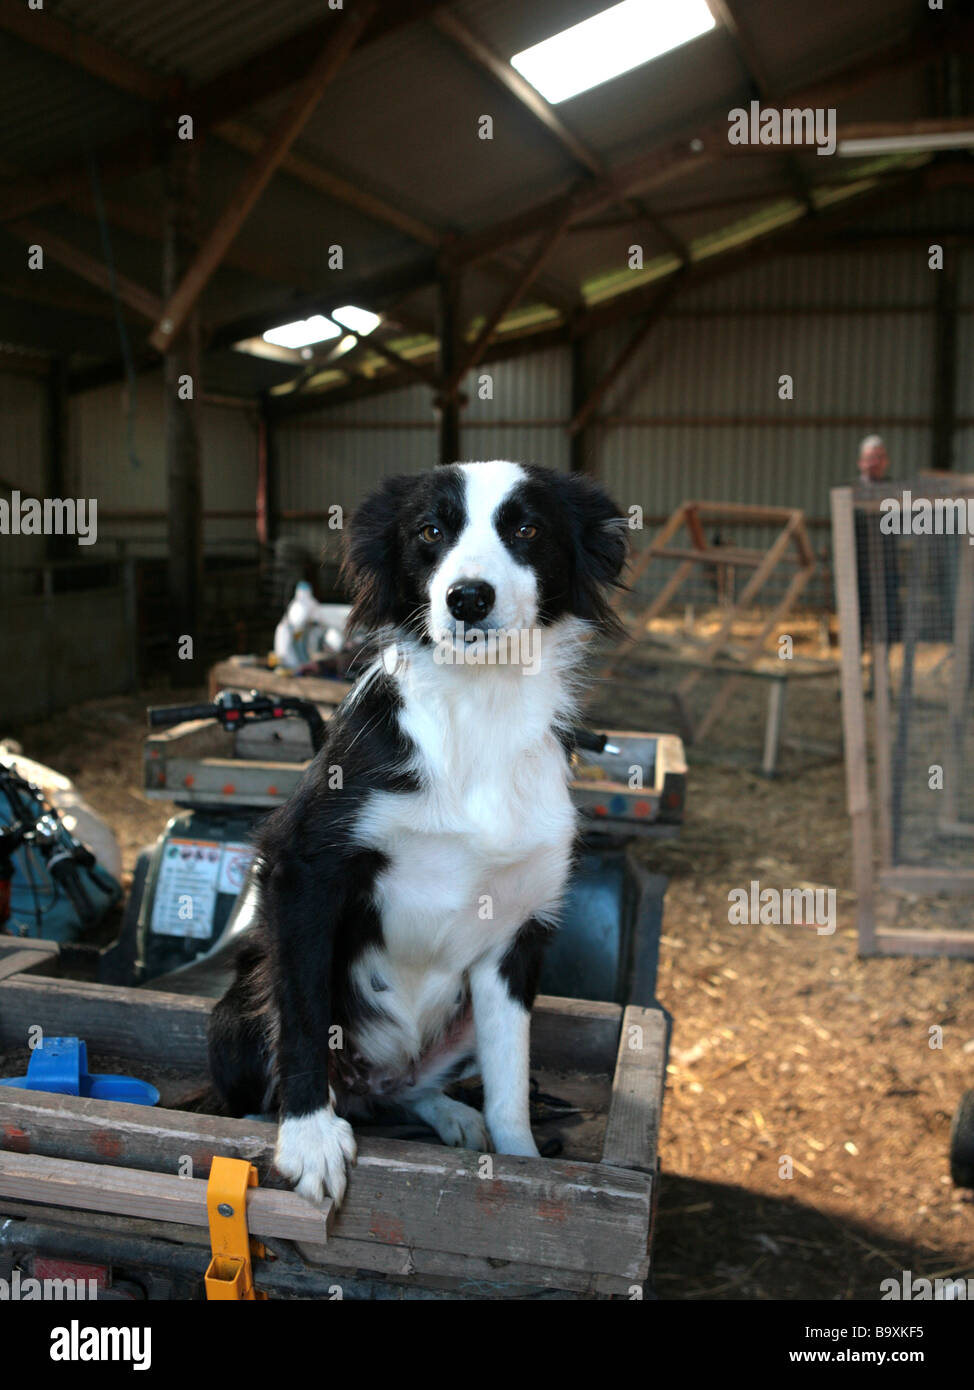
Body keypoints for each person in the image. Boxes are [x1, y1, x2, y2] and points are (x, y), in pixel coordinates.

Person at [853, 434, 901, 647]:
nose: (875, 462)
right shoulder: (851, 491)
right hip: (857, 569)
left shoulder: (894, 491)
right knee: (856, 620)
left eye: (879, 457)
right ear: (861, 462)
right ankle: (856, 666)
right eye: (871, 457)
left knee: (887, 621)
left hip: (887, 569)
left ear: (886, 461)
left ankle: (883, 667)